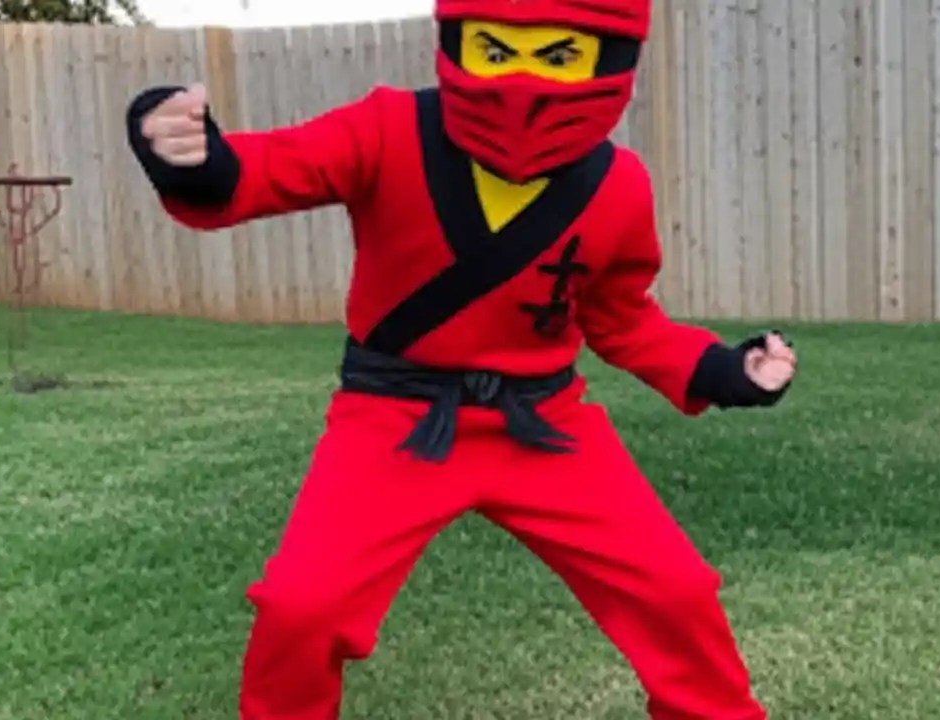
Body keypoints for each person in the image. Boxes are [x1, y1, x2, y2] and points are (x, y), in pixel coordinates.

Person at [125, 1, 796, 717]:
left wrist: (725, 369)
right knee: (302, 606)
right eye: (497, 53)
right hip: (392, 419)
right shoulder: (386, 130)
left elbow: (625, 318)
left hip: (542, 424)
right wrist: (189, 155)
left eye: (559, 56)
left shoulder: (618, 185)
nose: (524, 82)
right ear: (459, 43)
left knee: (673, 589)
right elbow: (273, 168)